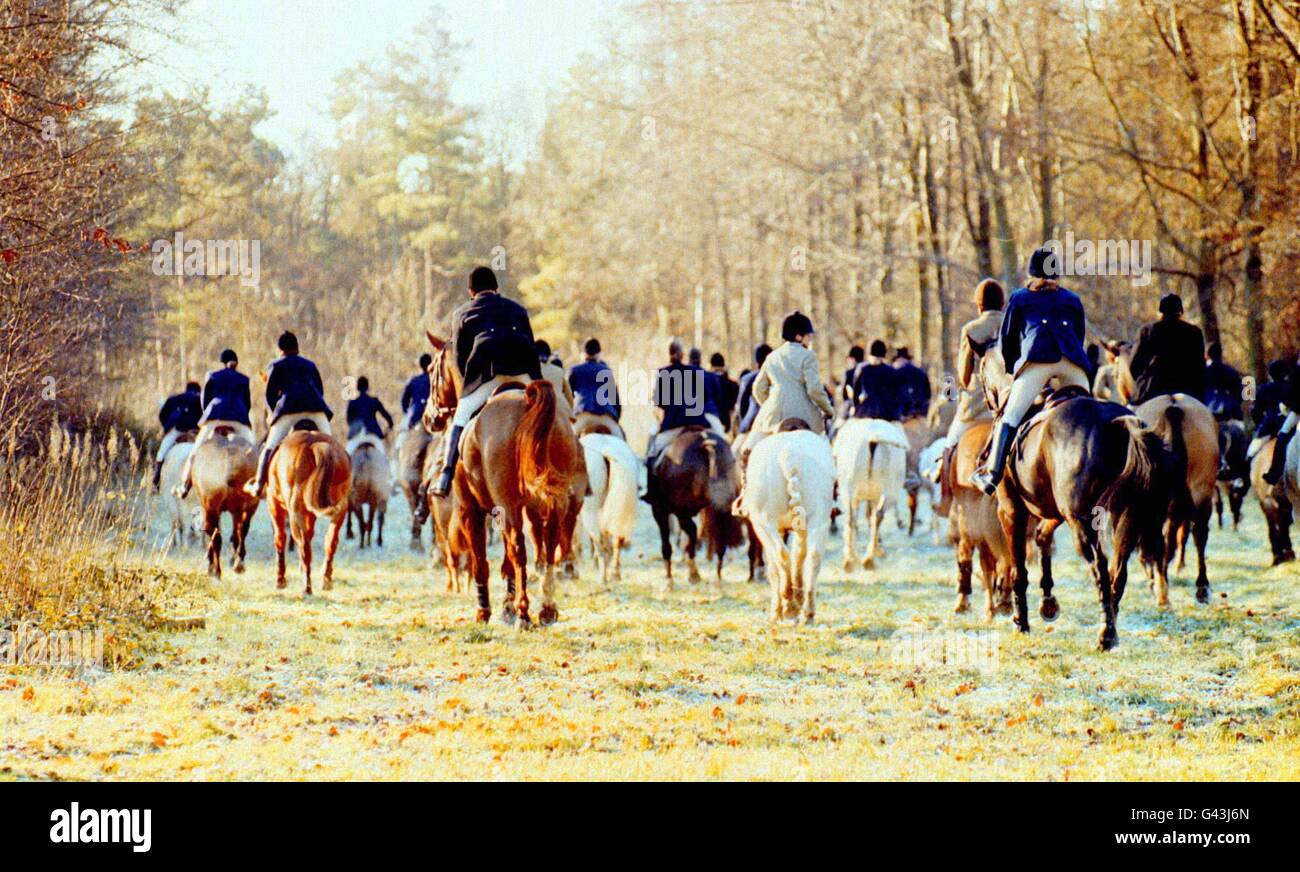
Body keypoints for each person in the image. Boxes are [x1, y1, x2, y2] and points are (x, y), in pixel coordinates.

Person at [971, 247, 1091, 495]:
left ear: (1032, 273)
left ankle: (992, 475)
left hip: (1038, 362)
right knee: (1091, 413)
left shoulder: (1020, 297)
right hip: (1073, 364)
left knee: (1011, 416)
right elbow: (1079, 336)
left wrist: (1015, 368)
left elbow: (1008, 341)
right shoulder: (1072, 299)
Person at [431, 266, 541, 497]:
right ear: (496, 288)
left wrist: (470, 385)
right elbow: (531, 345)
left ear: (471, 291)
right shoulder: (518, 309)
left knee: (460, 418)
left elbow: (460, 360)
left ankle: (445, 475)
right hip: (523, 374)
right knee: (551, 408)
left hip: (488, 378)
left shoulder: (461, 314)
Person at [245, 331, 334, 498]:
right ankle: (340, 484)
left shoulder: (276, 365)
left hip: (288, 410)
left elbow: (270, 395)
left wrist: (273, 414)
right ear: (297, 347)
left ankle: (258, 483)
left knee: (269, 446)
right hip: (315, 408)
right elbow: (320, 390)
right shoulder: (310, 365)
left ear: (280, 349)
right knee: (332, 445)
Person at [745, 311, 834, 452]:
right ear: (798, 337)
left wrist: (771, 404)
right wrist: (828, 410)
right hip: (805, 414)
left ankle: (744, 472)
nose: (809, 340)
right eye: (808, 336)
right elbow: (814, 390)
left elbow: (758, 388)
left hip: (774, 415)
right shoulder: (808, 356)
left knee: (749, 448)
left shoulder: (772, 357)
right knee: (825, 449)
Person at [174, 349, 254, 499]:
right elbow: (247, 404)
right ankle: (259, 484)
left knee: (195, 451)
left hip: (215, 414)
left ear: (222, 363)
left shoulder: (212, 376)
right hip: (239, 415)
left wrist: (208, 418)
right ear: (236, 363)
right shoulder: (244, 379)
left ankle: (184, 485)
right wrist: (240, 417)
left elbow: (205, 401)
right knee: (252, 449)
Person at [647, 339, 726, 465]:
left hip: (674, 425)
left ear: (669, 355)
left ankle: (649, 484)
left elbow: (659, 402)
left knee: (653, 453)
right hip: (698, 422)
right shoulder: (694, 372)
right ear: (682, 355)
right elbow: (704, 397)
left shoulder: (662, 373)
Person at [946, 279, 1004, 448]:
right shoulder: (1015, 325)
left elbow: (964, 377)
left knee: (949, 447)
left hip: (977, 407)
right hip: (1008, 402)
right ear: (1002, 304)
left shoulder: (970, 329)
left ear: (979, 306)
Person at [1128, 294, 1206, 405]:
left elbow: (1134, 367)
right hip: (1187, 390)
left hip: (1154, 389)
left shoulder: (1147, 331)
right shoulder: (1194, 332)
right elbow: (1200, 367)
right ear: (1180, 312)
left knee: (1132, 416)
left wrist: (1143, 381)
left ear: (1160, 312)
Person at [569, 337, 624, 438]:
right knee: (621, 440)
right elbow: (616, 402)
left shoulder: (575, 370)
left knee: (568, 442)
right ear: (599, 354)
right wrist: (616, 420)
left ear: (583, 354)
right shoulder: (607, 370)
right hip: (605, 415)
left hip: (583, 415)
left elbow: (568, 397)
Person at [153, 381, 202, 492]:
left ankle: (156, 483)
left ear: (186, 389)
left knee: (161, 454)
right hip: (196, 433)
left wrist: (167, 427)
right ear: (198, 391)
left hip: (177, 431)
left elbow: (162, 415)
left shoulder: (175, 399)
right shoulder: (201, 400)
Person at [1261, 355, 1300, 487]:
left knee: (1283, 435)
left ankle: (1274, 472)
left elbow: (1293, 396)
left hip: (1297, 413)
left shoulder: (1296, 371)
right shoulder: (1290, 378)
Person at [851, 340, 902, 421]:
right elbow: (896, 394)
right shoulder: (890, 370)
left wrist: (856, 407)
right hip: (887, 412)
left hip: (865, 410)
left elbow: (855, 393)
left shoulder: (862, 369)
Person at [394, 353, 432, 454]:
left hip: (414, 417)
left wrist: (408, 412)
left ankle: (396, 464)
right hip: (432, 416)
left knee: (399, 444)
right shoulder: (435, 379)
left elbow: (404, 402)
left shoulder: (413, 381)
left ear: (419, 365)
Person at [345, 376, 394, 455]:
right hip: (373, 433)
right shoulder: (374, 401)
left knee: (347, 456)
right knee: (383, 457)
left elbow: (348, 420)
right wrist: (389, 427)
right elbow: (387, 416)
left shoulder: (353, 403)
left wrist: (355, 425)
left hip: (356, 434)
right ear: (368, 387)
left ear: (357, 388)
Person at [734, 343, 772, 434]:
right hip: (775, 421)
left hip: (754, 423)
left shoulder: (747, 379)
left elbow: (741, 407)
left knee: (736, 448)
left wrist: (743, 427)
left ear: (757, 363)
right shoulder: (778, 376)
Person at [1202, 342, 1244, 423]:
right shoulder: (1231, 371)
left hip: (1207, 412)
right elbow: (1240, 393)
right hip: (1231, 411)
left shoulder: (1202, 373)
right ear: (1221, 354)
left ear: (1207, 355)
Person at [893, 347, 932, 419]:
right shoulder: (921, 373)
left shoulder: (895, 373)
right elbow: (928, 394)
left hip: (902, 415)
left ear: (898, 359)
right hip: (920, 414)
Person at [709, 352, 740, 427]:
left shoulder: (706, 383)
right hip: (728, 424)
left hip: (711, 423)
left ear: (711, 366)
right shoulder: (734, 385)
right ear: (723, 366)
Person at [840, 345, 865, 419]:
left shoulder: (849, 373)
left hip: (853, 407)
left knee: (837, 426)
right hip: (868, 407)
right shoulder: (868, 371)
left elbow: (845, 396)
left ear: (853, 359)